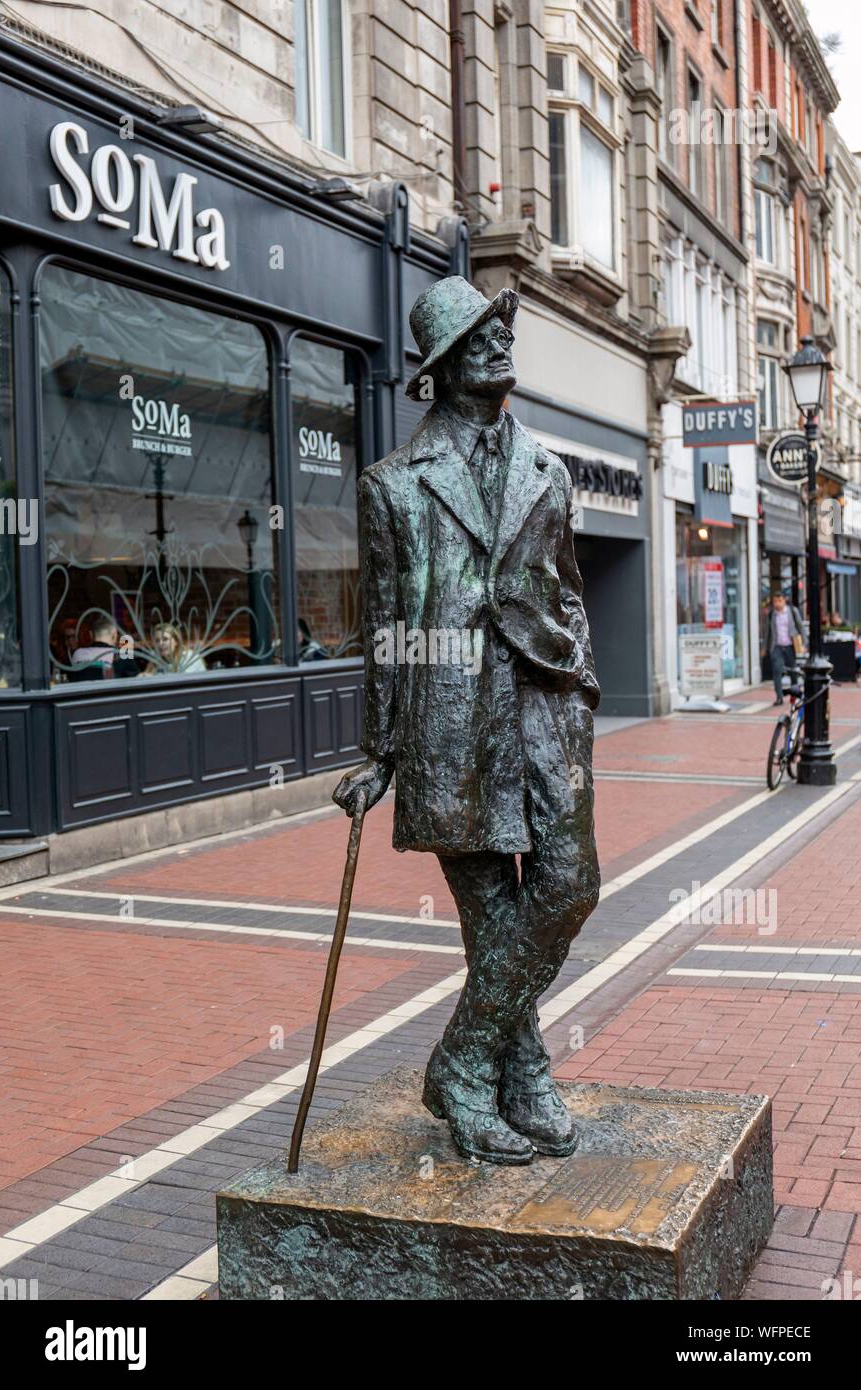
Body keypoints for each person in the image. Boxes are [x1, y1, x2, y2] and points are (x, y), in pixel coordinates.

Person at [333, 276, 600, 1165]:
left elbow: (567, 589)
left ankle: (461, 1061)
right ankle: (519, 1074)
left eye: (501, 329)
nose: (498, 342)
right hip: (449, 714)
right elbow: (385, 627)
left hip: (545, 704)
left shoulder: (549, 472)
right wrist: (380, 749)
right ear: (439, 370)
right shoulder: (393, 485)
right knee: (491, 912)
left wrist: (583, 685)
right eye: (477, 337)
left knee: (569, 884)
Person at [69, 616, 141, 680]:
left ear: (91, 635)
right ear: (114, 636)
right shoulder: (120, 655)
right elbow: (136, 680)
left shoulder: (77, 653)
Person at [763, 592, 803, 706]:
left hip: (790, 646)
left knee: (793, 672)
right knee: (777, 671)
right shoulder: (771, 614)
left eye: (779, 601)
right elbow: (767, 632)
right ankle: (779, 697)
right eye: (775, 601)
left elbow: (800, 626)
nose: (777, 604)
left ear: (784, 601)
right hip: (776, 647)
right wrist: (765, 648)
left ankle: (795, 696)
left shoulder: (792, 611)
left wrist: (804, 643)